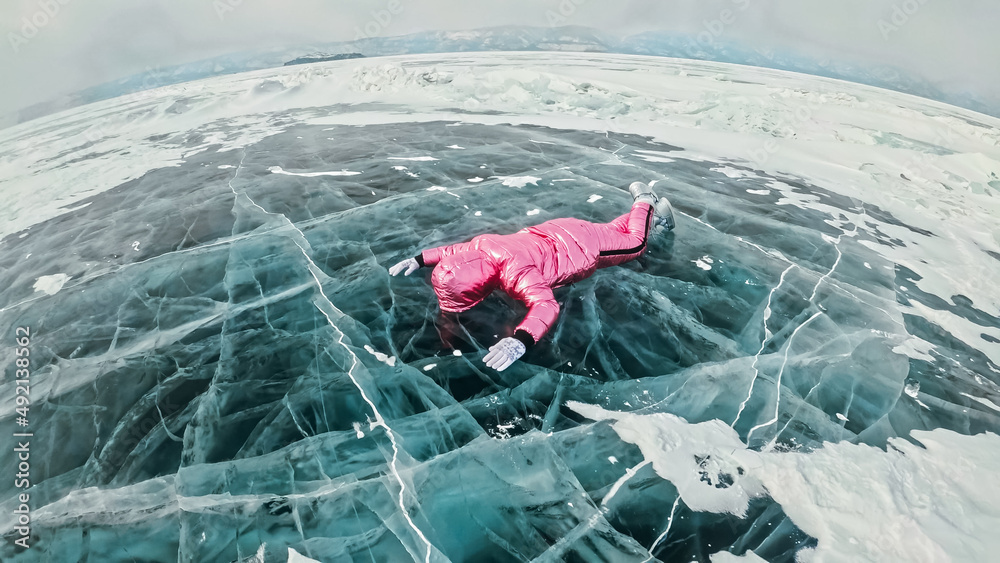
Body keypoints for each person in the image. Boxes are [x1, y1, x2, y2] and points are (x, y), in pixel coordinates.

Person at [390, 182, 675, 371]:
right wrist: (420, 259)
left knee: (635, 244)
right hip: (561, 229)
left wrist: (522, 340)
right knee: (615, 233)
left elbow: (546, 305)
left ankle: (644, 202)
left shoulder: (516, 274)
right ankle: (658, 217)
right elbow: (454, 250)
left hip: (584, 250)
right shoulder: (482, 246)